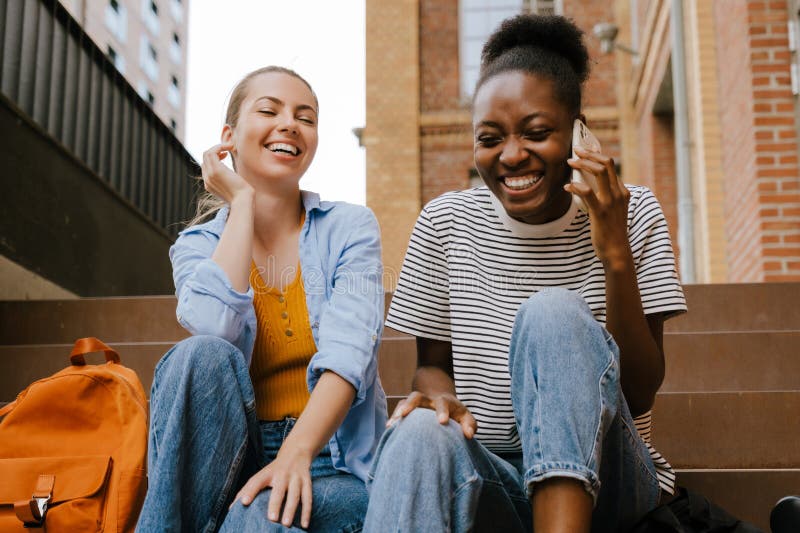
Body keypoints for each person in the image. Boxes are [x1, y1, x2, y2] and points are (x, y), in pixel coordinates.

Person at [363, 14, 687, 533]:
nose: (512, 156)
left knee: (553, 312)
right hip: (496, 478)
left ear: (579, 131)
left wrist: (615, 252)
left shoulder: (635, 211)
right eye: (490, 138)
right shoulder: (445, 223)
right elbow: (431, 367)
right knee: (419, 432)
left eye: (536, 133)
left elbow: (642, 391)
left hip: (613, 479)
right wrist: (438, 396)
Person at [136, 66, 387, 532]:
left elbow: (351, 353)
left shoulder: (350, 228)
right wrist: (243, 204)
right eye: (269, 110)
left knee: (258, 517)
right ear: (228, 137)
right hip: (231, 459)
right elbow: (214, 328)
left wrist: (295, 453)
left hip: (332, 463)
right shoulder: (196, 245)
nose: (290, 124)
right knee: (199, 354)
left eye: (305, 117)